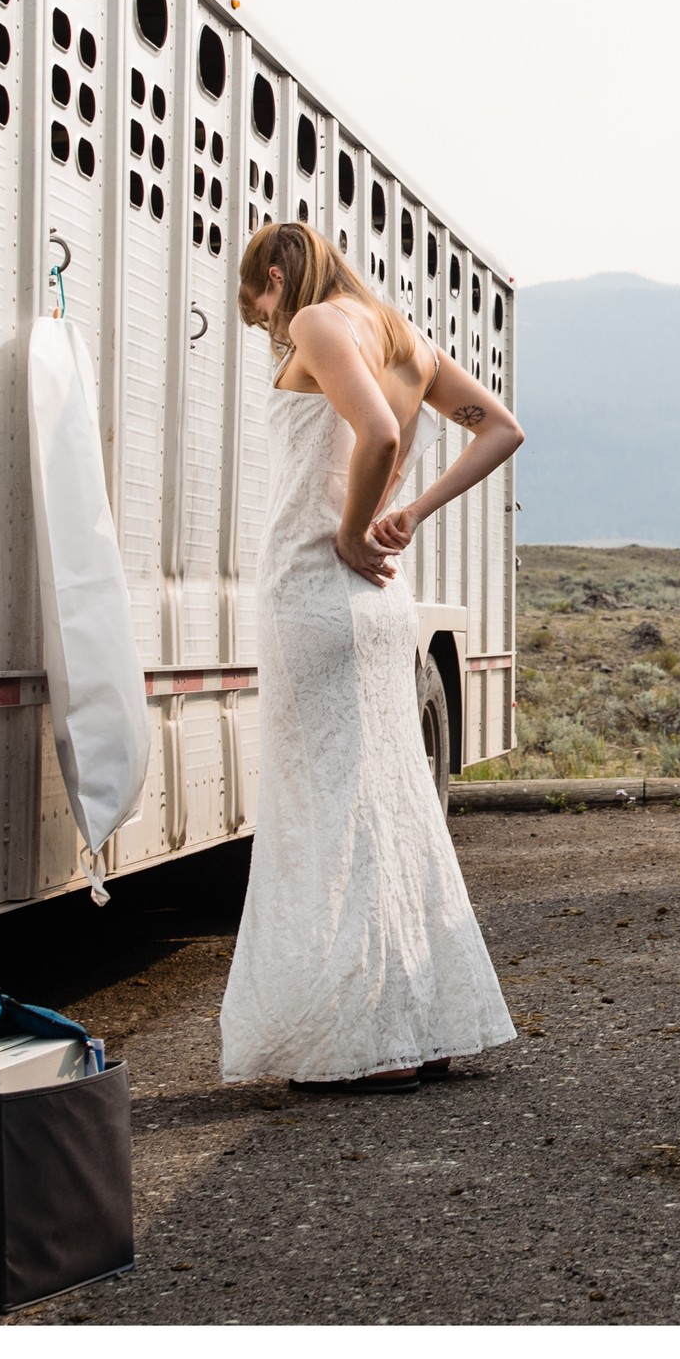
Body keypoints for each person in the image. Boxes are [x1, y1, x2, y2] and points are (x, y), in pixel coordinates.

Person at [218, 221, 524, 1091]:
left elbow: (380, 434)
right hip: (383, 601)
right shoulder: (407, 339)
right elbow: (500, 429)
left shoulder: (320, 324)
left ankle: (354, 1044)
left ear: (278, 272)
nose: (269, 328)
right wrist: (411, 516)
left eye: (259, 306)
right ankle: (418, 1030)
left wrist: (353, 531)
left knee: (322, 812)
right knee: (388, 807)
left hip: (315, 589)